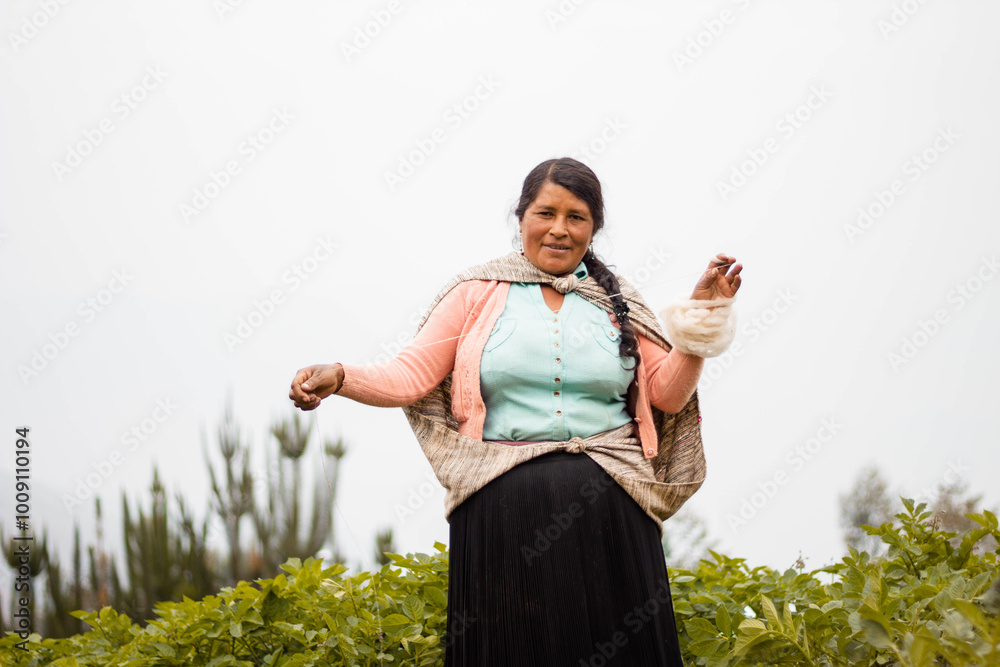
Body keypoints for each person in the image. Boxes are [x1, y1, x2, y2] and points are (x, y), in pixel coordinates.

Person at [289, 157, 742, 666]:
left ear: (594, 229)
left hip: (613, 517)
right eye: (546, 213)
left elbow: (667, 396)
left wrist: (703, 318)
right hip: (501, 516)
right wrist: (340, 376)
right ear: (521, 217)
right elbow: (410, 375)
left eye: (576, 217)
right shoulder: (475, 293)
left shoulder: (619, 302)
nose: (559, 229)